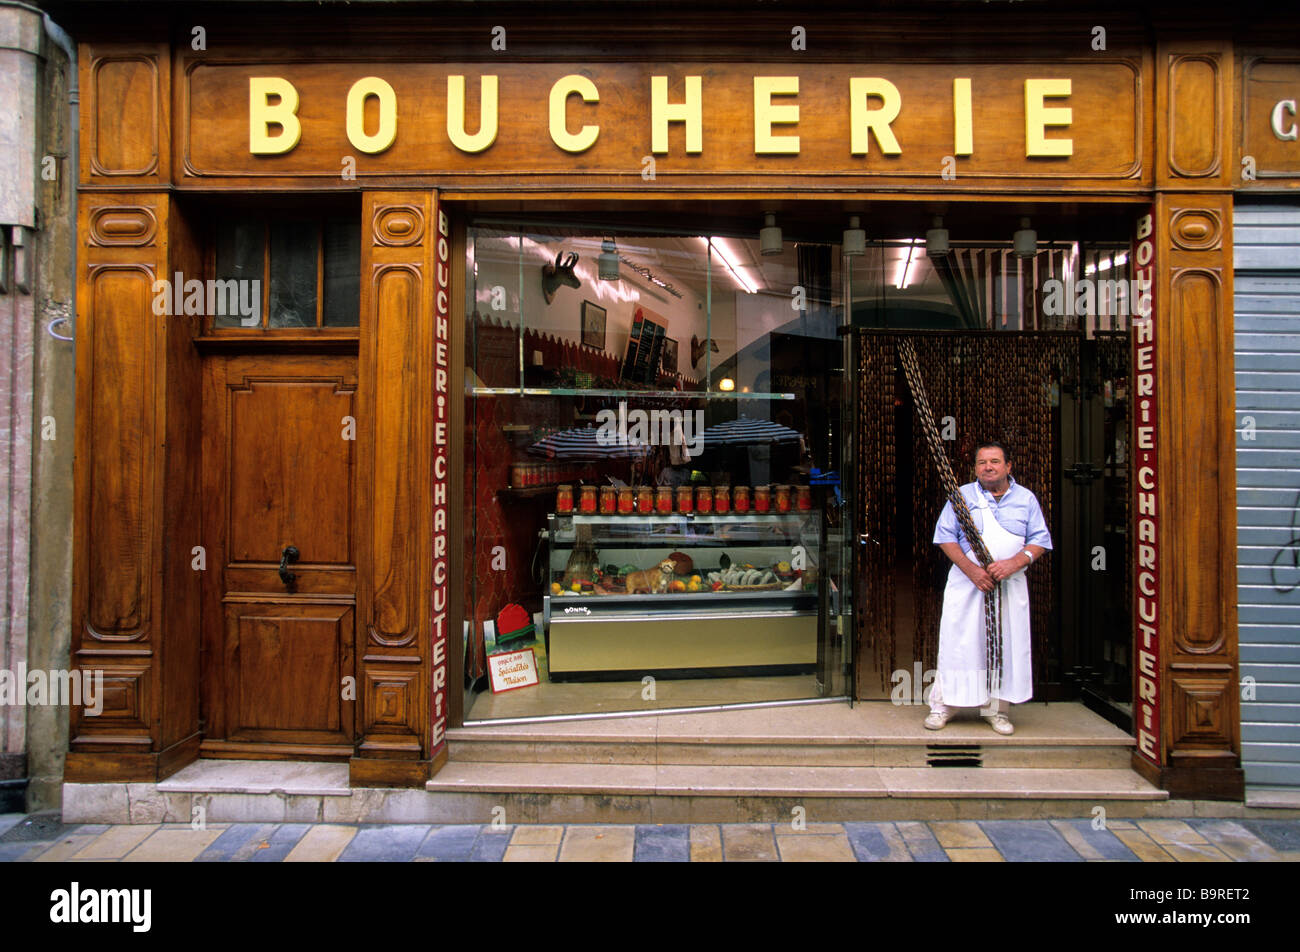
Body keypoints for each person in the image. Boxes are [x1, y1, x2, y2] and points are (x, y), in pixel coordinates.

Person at [924, 441, 1051, 735]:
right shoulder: (961, 497)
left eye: (994, 461)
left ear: (1008, 466)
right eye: (982, 463)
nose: (988, 467)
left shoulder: (1026, 499)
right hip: (967, 584)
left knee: (1005, 644)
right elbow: (945, 537)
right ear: (975, 469)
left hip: (1010, 584)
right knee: (959, 643)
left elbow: (1040, 540)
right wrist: (973, 571)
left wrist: (1015, 562)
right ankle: (943, 706)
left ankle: (997, 711)